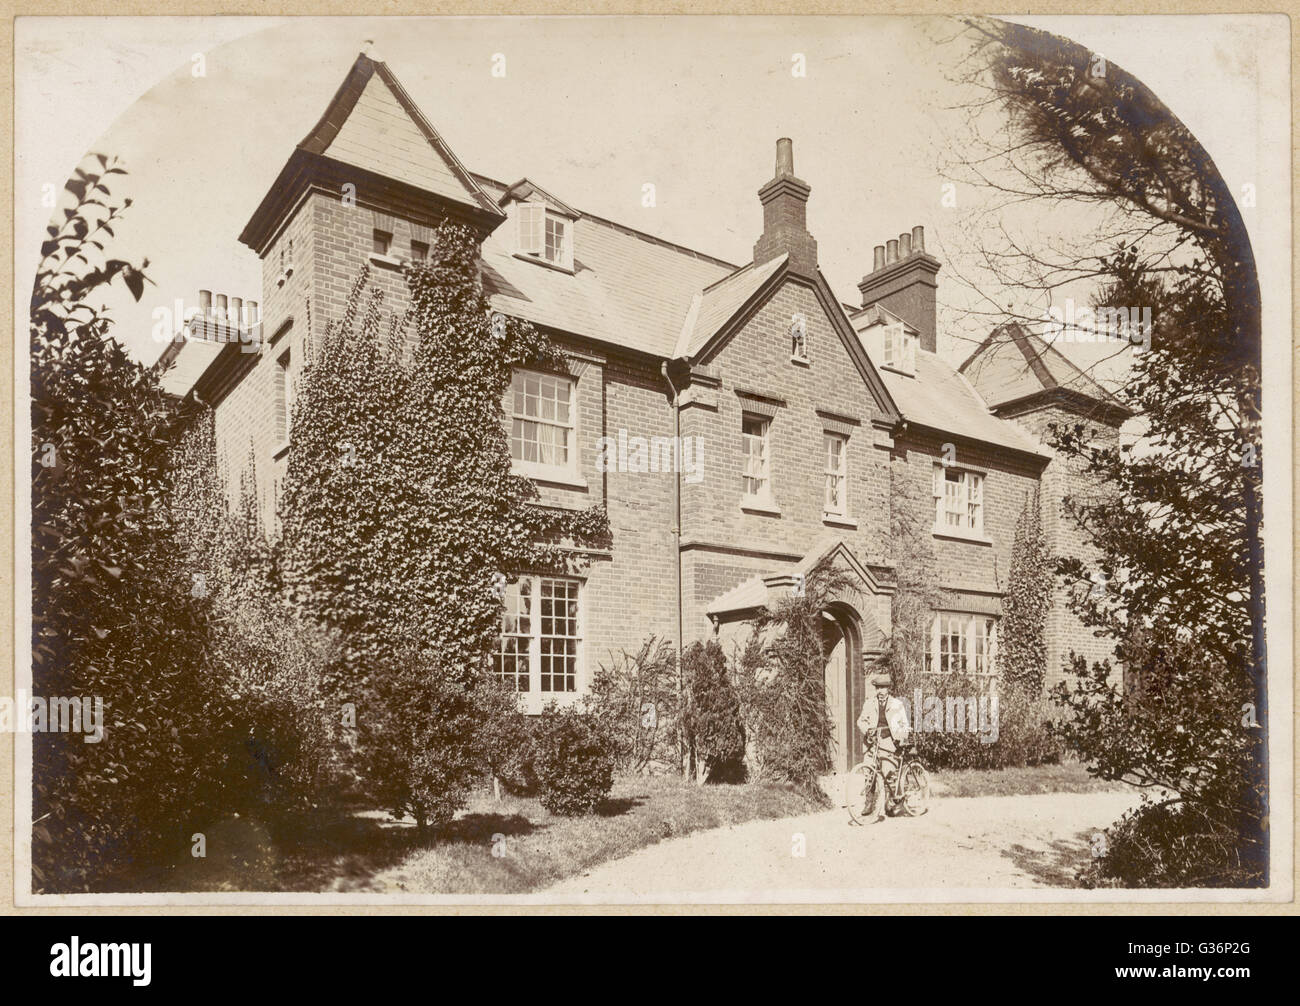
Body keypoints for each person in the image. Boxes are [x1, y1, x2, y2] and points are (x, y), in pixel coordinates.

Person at [856, 673, 910, 821]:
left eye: (883, 688)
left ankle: (891, 803)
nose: (880, 691)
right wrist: (867, 730)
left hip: (888, 741)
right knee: (869, 772)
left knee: (888, 773)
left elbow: (904, 725)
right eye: (878, 688)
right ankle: (868, 804)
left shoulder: (896, 705)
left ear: (888, 689)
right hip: (872, 742)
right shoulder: (869, 703)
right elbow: (860, 721)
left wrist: (900, 737)